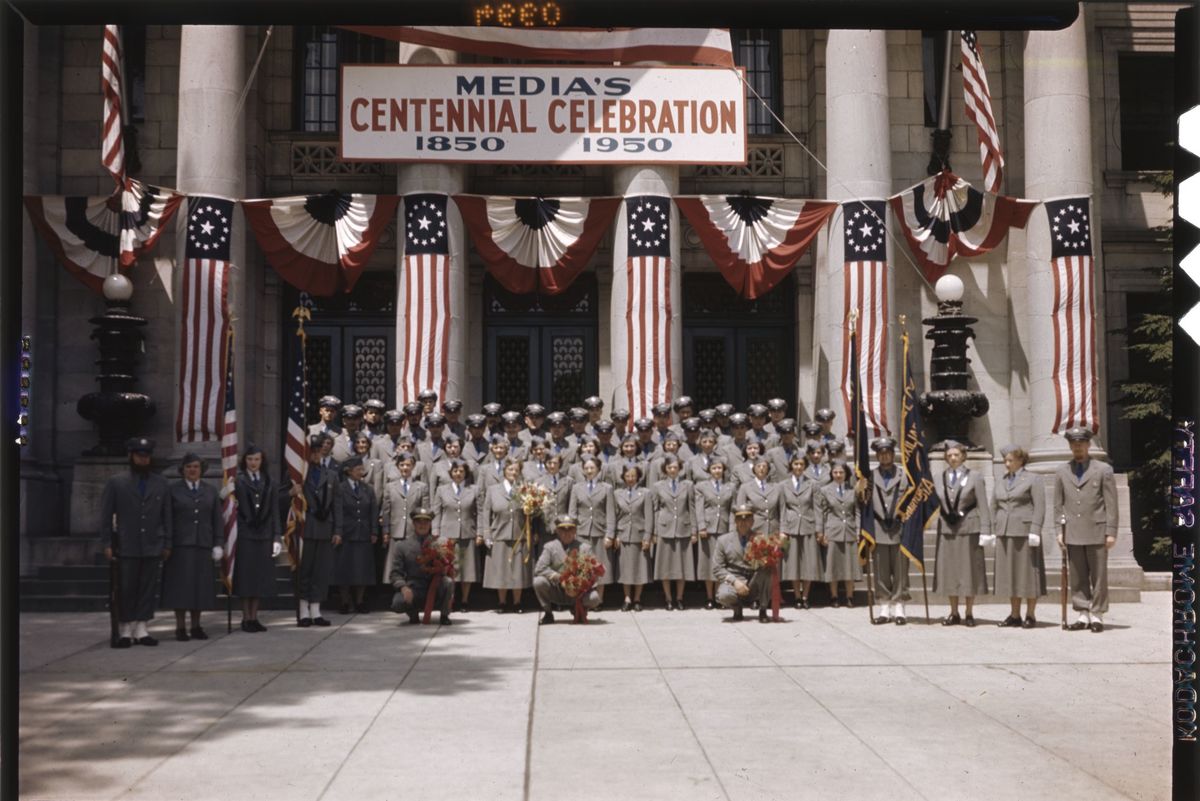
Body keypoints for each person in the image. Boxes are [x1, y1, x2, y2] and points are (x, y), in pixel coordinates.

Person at [100, 437, 172, 647]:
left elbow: (166, 516)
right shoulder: (117, 482)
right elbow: (106, 516)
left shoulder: (161, 483)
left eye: (146, 456)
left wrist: (167, 542)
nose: (143, 460)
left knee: (147, 587)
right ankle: (124, 629)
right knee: (126, 587)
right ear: (131, 456)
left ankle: (141, 627)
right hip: (126, 544)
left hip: (152, 543)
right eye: (140, 456)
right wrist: (106, 543)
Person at [1052, 427, 1118, 632]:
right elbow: (1057, 504)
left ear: (1088, 445)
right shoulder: (1062, 471)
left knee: (1098, 575)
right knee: (1078, 575)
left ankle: (1097, 615)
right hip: (1073, 531)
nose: (1077, 447)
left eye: (1081, 443)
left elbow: (1111, 504)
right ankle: (1082, 613)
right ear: (1070, 446)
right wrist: (1058, 530)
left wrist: (1111, 531)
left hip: (1097, 530)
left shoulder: (1103, 470)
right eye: (1074, 444)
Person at [162, 452, 221, 641]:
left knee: (199, 588)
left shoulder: (210, 491)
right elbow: (167, 519)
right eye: (188, 467)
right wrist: (167, 543)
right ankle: (180, 627)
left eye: (195, 467)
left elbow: (217, 520)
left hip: (203, 544)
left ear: (201, 469)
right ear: (182, 470)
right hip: (181, 546)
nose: (192, 470)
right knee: (181, 588)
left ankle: (196, 626)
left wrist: (218, 543)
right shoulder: (173, 490)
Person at [933, 440, 991, 626]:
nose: (952, 458)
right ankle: (953, 612)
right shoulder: (938, 477)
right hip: (948, 530)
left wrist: (986, 530)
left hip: (968, 528)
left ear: (963, 456)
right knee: (950, 572)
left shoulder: (975, 477)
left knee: (969, 572)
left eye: (956, 455)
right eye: (949, 455)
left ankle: (969, 612)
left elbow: (983, 505)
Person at [992, 444, 1047, 629]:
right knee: (1011, 574)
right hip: (1005, 531)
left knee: (1028, 574)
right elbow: (994, 506)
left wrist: (1036, 530)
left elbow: (1039, 506)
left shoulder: (1033, 479)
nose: (1007, 464)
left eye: (1010, 460)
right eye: (1005, 461)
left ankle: (1030, 614)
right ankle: (1014, 614)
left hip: (1024, 531)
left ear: (1020, 460)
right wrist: (993, 529)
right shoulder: (1001, 480)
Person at [291, 434, 342, 626]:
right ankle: (303, 609)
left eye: (318, 451)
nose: (315, 455)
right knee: (306, 569)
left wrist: (338, 530)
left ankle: (316, 610)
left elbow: (337, 504)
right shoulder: (299, 474)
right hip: (306, 524)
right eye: (312, 452)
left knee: (321, 570)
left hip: (324, 526)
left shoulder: (331, 475)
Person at [232, 444, 281, 632]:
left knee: (259, 577)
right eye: (250, 459)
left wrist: (277, 536)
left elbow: (275, 510)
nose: (253, 463)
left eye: (257, 459)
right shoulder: (238, 480)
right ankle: (245, 617)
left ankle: (254, 616)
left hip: (264, 534)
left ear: (262, 461)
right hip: (245, 533)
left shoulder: (269, 481)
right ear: (245, 461)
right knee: (247, 577)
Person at [865, 437, 912, 625]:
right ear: (877, 456)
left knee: (900, 568)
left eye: (888, 453)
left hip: (899, 526)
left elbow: (911, 501)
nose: (885, 456)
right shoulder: (869, 477)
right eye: (881, 454)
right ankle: (884, 606)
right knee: (881, 568)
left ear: (893, 454)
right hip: (878, 527)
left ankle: (900, 606)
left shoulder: (903, 476)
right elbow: (864, 502)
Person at [481, 458, 533, 612]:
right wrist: (486, 534)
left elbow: (531, 513)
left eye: (516, 470)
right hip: (499, 533)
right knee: (501, 570)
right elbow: (486, 512)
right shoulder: (493, 489)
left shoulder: (525, 489)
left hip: (519, 534)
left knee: (518, 571)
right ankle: (502, 602)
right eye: (510, 469)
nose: (513, 473)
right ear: (504, 471)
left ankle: (517, 602)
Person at [389, 507, 454, 625]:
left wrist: (445, 569)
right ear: (413, 523)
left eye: (426, 522)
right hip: (414, 588)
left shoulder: (439, 543)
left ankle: (444, 615)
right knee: (398, 603)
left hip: (434, 588)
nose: (422, 525)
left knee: (448, 582)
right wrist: (403, 587)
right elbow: (395, 573)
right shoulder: (402, 546)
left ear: (430, 524)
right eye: (419, 522)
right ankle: (412, 614)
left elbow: (450, 567)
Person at [533, 515, 602, 624]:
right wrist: (558, 577)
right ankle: (548, 613)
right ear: (558, 531)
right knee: (538, 582)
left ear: (575, 531)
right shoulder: (550, 547)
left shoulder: (584, 548)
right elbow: (539, 569)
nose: (567, 533)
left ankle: (579, 609)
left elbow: (594, 571)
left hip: (578, 592)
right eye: (563, 530)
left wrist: (581, 580)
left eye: (570, 529)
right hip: (558, 589)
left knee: (594, 598)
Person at [432, 459, 480, 610]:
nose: (458, 474)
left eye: (461, 471)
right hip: (448, 533)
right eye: (455, 471)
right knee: (449, 569)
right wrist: (435, 531)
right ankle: (449, 599)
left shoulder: (474, 489)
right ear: (450, 473)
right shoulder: (442, 490)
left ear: (466, 473)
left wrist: (480, 533)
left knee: (467, 570)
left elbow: (480, 512)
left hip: (467, 533)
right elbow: (436, 511)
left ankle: (465, 600)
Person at [776, 453, 822, 610]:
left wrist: (819, 530)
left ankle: (805, 596)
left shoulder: (812, 484)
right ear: (791, 466)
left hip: (808, 526)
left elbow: (817, 508)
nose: (798, 467)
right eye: (795, 464)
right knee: (793, 563)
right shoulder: (783, 485)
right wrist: (783, 530)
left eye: (801, 464)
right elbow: (782, 509)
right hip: (791, 527)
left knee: (808, 563)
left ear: (805, 467)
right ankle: (796, 596)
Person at [333, 456, 378, 615]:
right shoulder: (340, 488)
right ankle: (345, 601)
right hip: (347, 533)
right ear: (349, 472)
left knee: (362, 570)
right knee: (345, 569)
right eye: (358, 469)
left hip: (363, 534)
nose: (361, 472)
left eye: (361, 469)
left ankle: (360, 601)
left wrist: (374, 531)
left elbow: (373, 511)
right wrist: (338, 531)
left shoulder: (368, 489)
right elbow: (338, 511)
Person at [713, 504, 773, 622]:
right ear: (735, 521)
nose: (743, 522)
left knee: (768, 568)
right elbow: (717, 568)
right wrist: (734, 581)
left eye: (747, 519)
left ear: (752, 521)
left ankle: (763, 608)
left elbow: (768, 562)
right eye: (740, 519)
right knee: (723, 595)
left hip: (753, 580)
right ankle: (737, 608)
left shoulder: (760, 539)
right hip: (735, 579)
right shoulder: (723, 540)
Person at [568, 457, 617, 603]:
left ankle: (598, 600)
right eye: (587, 468)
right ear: (583, 470)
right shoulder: (577, 488)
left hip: (600, 532)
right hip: (582, 532)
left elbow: (610, 513)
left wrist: (610, 534)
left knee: (599, 566)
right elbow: (572, 512)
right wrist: (572, 531)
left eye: (592, 468)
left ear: (598, 470)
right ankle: (583, 598)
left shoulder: (606, 488)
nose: (589, 471)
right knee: (583, 566)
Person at [651, 455, 697, 610]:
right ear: (665, 469)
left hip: (683, 528)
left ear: (680, 469)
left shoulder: (688, 485)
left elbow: (691, 508)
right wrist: (655, 532)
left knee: (682, 567)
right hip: (665, 528)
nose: (672, 470)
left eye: (675, 467)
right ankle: (668, 598)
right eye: (669, 467)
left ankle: (679, 597)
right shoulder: (658, 486)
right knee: (665, 566)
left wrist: (694, 530)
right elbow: (656, 509)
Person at [816, 461, 862, 607]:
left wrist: (858, 530)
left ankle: (850, 596)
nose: (838, 475)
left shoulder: (852, 490)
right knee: (833, 565)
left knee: (850, 565)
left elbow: (857, 512)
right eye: (835, 472)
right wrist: (821, 532)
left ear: (846, 474)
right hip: (832, 530)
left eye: (841, 472)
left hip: (849, 530)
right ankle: (834, 596)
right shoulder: (825, 490)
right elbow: (822, 513)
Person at [380, 453, 430, 584]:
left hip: (414, 531)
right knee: (396, 564)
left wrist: (423, 531)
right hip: (396, 530)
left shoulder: (422, 487)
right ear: (397, 467)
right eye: (402, 465)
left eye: (408, 465)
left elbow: (425, 511)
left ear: (413, 467)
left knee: (414, 564)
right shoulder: (390, 487)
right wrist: (385, 531)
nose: (405, 468)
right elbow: (386, 511)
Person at [694, 457, 736, 609]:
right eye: (714, 468)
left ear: (723, 470)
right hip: (708, 529)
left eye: (719, 468)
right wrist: (701, 527)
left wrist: (732, 528)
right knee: (708, 563)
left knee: (722, 563)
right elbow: (699, 508)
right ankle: (709, 597)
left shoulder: (730, 486)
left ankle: (720, 596)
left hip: (724, 528)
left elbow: (732, 508)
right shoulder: (701, 486)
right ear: (709, 470)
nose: (717, 471)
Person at [614, 464, 653, 611]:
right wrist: (616, 534)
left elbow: (649, 516)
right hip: (624, 534)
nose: (630, 479)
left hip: (639, 534)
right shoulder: (618, 493)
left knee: (639, 568)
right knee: (625, 569)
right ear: (623, 477)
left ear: (638, 477)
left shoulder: (645, 493)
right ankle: (627, 598)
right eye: (628, 476)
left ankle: (637, 598)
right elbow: (616, 515)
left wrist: (647, 537)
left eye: (633, 476)